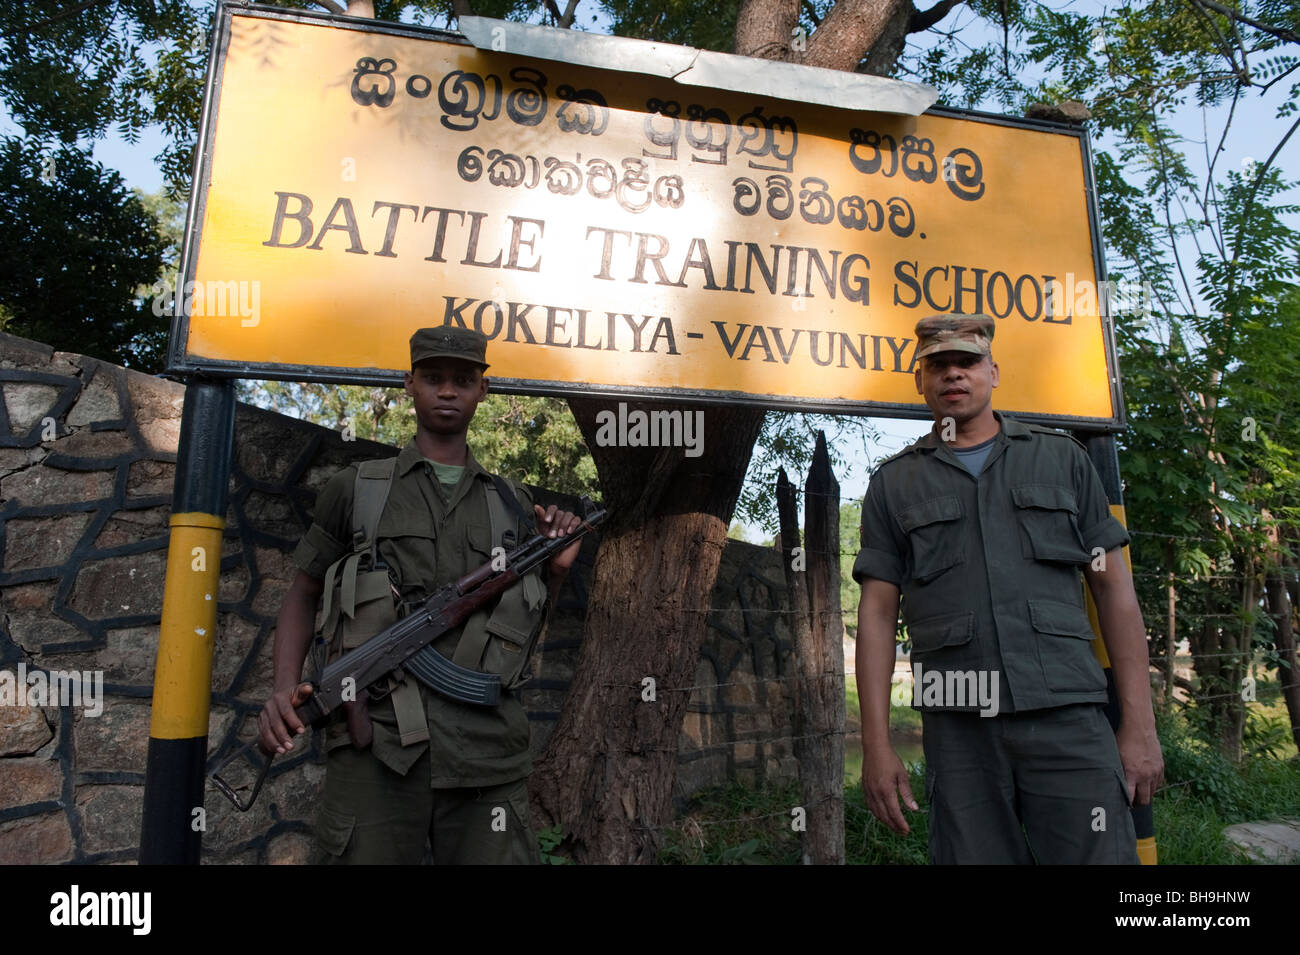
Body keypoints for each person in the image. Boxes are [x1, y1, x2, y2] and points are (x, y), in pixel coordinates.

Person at [257, 325, 583, 864]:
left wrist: (557, 572)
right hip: (376, 750)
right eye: (433, 378)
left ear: (484, 389)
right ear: (408, 384)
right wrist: (284, 688)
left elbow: (520, 628)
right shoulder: (358, 488)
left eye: (462, 379)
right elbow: (303, 591)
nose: (448, 391)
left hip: (486, 753)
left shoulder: (512, 504)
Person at [853, 313, 1164, 864]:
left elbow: (1115, 593)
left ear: (993, 372)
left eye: (967, 362)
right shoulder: (894, 484)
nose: (953, 375)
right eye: (937, 365)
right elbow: (876, 617)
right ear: (919, 381)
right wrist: (877, 747)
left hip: (1068, 720)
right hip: (960, 731)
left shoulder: (1062, 459)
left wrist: (1139, 725)